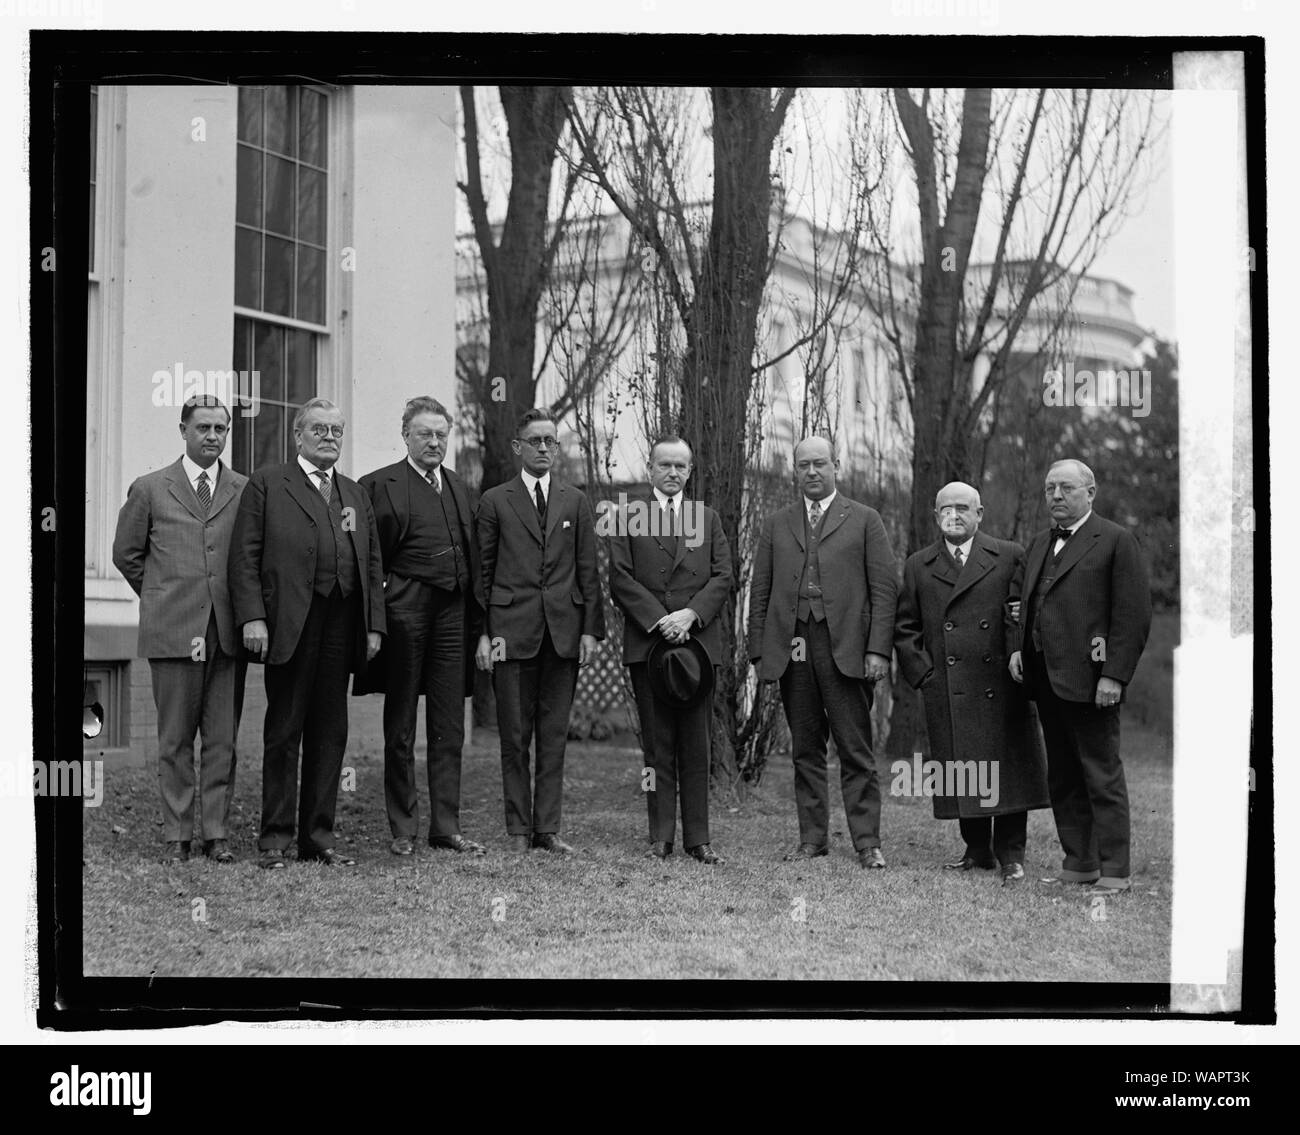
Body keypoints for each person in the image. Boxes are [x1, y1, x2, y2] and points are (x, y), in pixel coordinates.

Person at [228, 397, 385, 869]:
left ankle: (317, 838)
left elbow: (373, 561)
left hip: (342, 624)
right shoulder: (269, 483)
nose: (328, 438)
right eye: (318, 430)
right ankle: (274, 840)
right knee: (284, 731)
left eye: (336, 431)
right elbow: (244, 556)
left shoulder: (355, 495)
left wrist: (374, 625)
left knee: (331, 732)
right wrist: (253, 617)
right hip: (289, 625)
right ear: (298, 436)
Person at [746, 436, 898, 868]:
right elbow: (761, 590)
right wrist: (759, 651)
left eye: (820, 464)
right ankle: (813, 838)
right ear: (795, 470)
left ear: (837, 465)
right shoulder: (777, 523)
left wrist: (878, 651)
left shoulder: (865, 520)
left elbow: (884, 591)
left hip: (846, 646)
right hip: (793, 646)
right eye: (803, 465)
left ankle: (867, 842)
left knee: (855, 748)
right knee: (805, 747)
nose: (812, 472)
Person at [112, 395, 248, 864]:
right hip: (174, 632)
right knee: (174, 740)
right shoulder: (151, 488)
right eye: (204, 427)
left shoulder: (242, 489)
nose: (213, 436)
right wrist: (162, 596)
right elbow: (126, 555)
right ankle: (177, 835)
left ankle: (216, 833)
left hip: (225, 631)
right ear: (183, 430)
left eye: (221, 429)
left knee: (221, 738)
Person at [894, 481, 1050, 886]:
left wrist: (1020, 657)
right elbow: (905, 627)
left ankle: (1011, 854)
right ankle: (976, 849)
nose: (955, 515)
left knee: (1008, 769)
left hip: (1002, 681)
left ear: (979, 514)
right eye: (946, 509)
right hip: (948, 684)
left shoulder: (1009, 555)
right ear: (935, 516)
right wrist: (925, 673)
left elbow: (1022, 615)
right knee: (962, 768)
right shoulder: (918, 564)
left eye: (964, 508)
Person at [1009, 459, 1152, 895]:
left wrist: (1114, 677)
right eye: (1050, 488)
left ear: (1090, 492)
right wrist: (1017, 646)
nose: (1056, 496)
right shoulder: (1037, 544)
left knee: (1101, 775)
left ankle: (1114, 871)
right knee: (1064, 776)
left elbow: (1132, 616)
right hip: (1045, 680)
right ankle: (1080, 862)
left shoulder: (1114, 541)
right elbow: (1021, 600)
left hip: (1093, 683)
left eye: (1066, 488)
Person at [355, 397, 485, 857]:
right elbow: (368, 561)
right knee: (402, 724)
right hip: (404, 610)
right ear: (405, 435)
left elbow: (476, 561)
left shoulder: (461, 488)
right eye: (425, 434)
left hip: (453, 614)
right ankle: (403, 827)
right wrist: (378, 616)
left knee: (450, 723)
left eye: (441, 435)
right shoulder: (377, 486)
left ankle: (445, 826)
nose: (434, 442)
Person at [474, 409, 605, 854]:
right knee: (514, 736)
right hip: (510, 633)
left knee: (553, 736)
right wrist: (483, 634)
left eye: (551, 441)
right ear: (518, 448)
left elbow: (588, 571)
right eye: (535, 441)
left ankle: (547, 829)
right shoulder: (495, 501)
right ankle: (517, 830)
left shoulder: (575, 501)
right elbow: (483, 573)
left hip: (563, 635)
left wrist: (590, 631)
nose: (544, 448)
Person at [607, 436, 732, 864]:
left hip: (696, 647)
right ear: (650, 469)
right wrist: (661, 619)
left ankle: (698, 838)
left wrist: (689, 616)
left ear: (690, 471)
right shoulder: (629, 517)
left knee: (697, 744)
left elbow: (722, 576)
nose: (673, 473)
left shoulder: (707, 518)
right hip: (649, 645)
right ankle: (659, 836)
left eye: (681, 466)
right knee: (656, 746)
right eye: (665, 465)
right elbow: (620, 578)